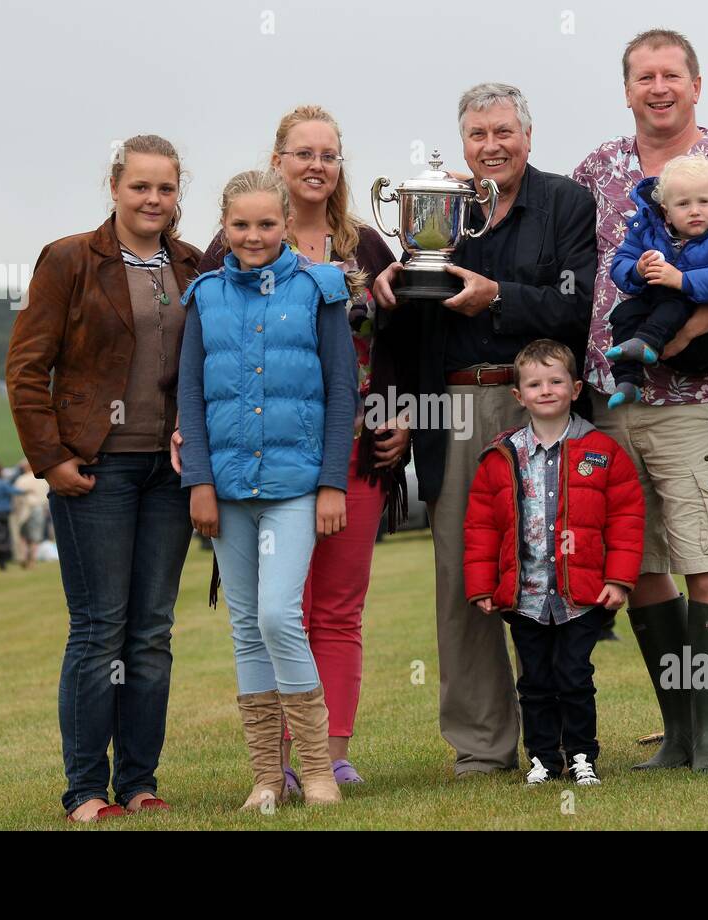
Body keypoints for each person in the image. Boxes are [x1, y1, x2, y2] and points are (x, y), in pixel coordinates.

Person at [573, 29, 708, 775]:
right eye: (644, 77)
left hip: (697, 398)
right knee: (639, 563)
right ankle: (676, 734)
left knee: (706, 554)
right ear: (628, 89)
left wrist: (685, 331)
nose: (658, 87)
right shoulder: (599, 169)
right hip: (611, 395)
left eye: (671, 75)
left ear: (696, 85)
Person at [178, 105, 414, 790]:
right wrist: (191, 442)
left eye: (329, 154)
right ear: (277, 160)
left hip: (355, 446)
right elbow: (204, 359)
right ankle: (275, 762)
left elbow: (398, 344)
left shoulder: (367, 248)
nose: (317, 164)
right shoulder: (231, 253)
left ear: (341, 166)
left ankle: (331, 755)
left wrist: (400, 410)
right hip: (259, 452)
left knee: (337, 606)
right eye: (302, 152)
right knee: (280, 608)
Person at [374, 82, 598, 776]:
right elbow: (412, 333)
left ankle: (561, 742)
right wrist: (391, 290)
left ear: (527, 136)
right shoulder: (436, 210)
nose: (491, 146)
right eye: (478, 135)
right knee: (463, 576)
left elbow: (579, 304)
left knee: (549, 571)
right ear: (462, 142)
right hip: (454, 412)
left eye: (504, 132)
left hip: (542, 407)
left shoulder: (564, 202)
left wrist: (498, 298)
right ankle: (481, 744)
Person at [6, 134, 204, 822]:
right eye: (141, 186)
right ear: (115, 187)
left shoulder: (193, 264)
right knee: (99, 629)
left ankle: (140, 783)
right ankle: (86, 791)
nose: (154, 199)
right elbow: (27, 367)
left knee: (152, 631)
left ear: (180, 194)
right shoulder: (68, 260)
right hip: (97, 469)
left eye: (166, 188)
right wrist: (51, 457)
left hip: (171, 472)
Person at [178, 168, 358, 809]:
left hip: (294, 488)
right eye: (240, 225)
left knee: (281, 614)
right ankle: (264, 779)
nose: (253, 237)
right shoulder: (203, 297)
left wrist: (332, 483)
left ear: (287, 224)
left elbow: (343, 392)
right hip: (225, 491)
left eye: (266, 224)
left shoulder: (320, 289)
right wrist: (199, 480)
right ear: (223, 228)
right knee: (248, 628)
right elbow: (190, 396)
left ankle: (314, 771)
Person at [464, 340, 643, 786]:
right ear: (518, 395)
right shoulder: (501, 455)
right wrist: (483, 585)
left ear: (577, 388)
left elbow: (626, 518)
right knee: (535, 683)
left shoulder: (601, 451)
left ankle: (582, 754)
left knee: (575, 677)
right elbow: (481, 527)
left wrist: (619, 580)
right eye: (534, 384)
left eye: (556, 381)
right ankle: (543, 758)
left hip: (580, 595)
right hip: (525, 595)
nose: (546, 390)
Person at [606, 154, 708, 407]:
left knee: (674, 298)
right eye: (683, 204)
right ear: (666, 212)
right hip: (663, 322)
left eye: (704, 202)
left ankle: (646, 343)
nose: (695, 211)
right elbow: (620, 263)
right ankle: (627, 381)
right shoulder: (647, 228)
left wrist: (681, 279)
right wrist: (638, 270)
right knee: (624, 313)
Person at [10, 459, 50, 569]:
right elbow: (46, 497)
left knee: (23, 535)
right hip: (38, 509)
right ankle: (32, 560)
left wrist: (16, 511)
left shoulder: (21, 480)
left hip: (24, 510)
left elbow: (16, 498)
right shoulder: (42, 480)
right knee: (35, 537)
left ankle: (23, 557)